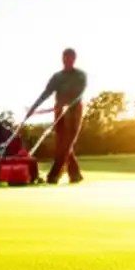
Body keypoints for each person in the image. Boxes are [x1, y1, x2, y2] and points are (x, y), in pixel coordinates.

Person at [28, 48, 87, 184]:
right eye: (65, 58)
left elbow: (80, 92)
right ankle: (75, 174)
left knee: (67, 143)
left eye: (70, 58)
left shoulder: (80, 75)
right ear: (62, 59)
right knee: (61, 143)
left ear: (74, 59)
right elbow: (46, 92)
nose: (67, 61)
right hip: (59, 111)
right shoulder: (57, 77)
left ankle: (53, 175)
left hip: (74, 111)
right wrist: (33, 107)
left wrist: (68, 104)